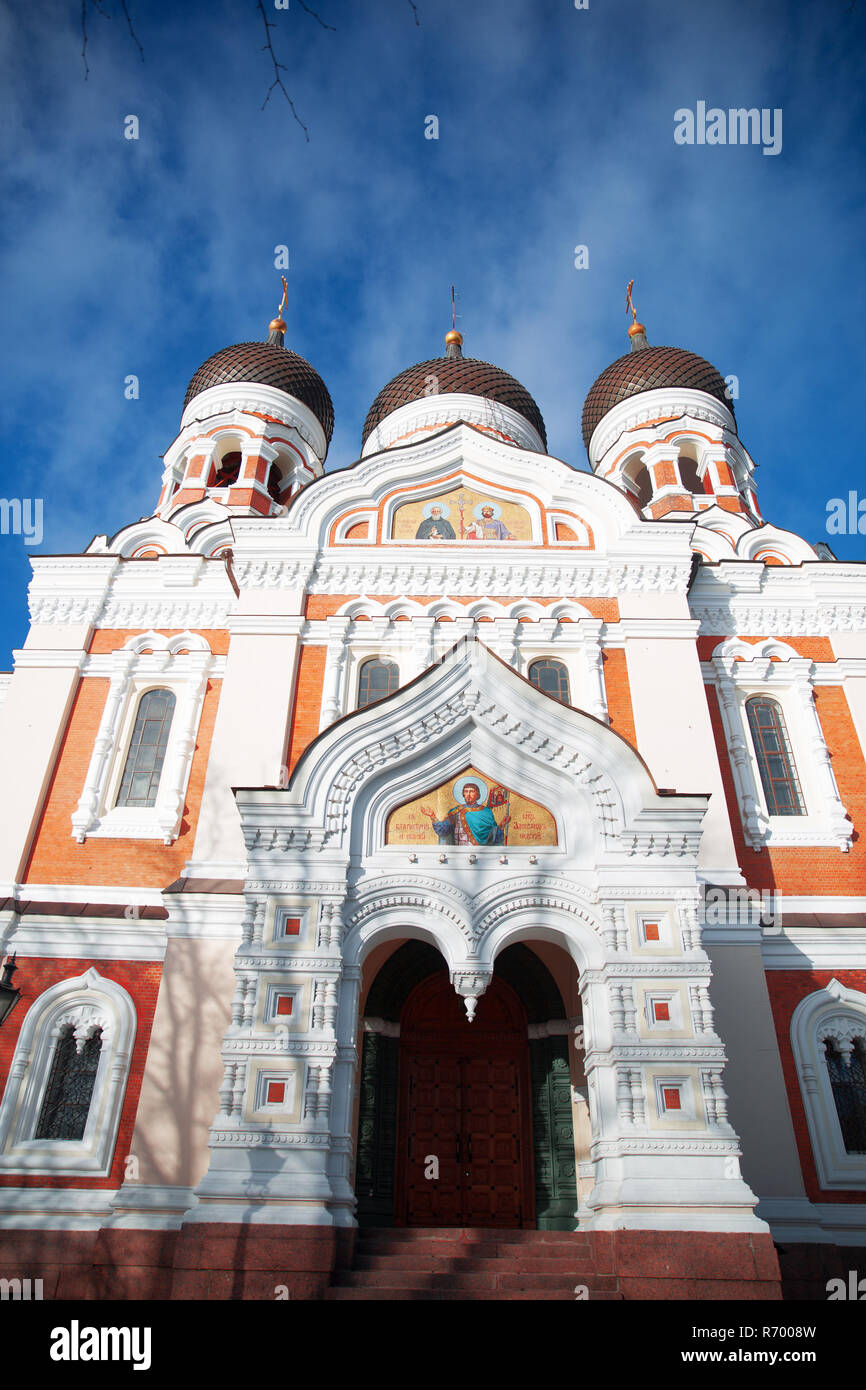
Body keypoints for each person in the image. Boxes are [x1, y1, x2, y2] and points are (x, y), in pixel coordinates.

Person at [420, 781, 509, 845]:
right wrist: (432, 816)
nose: (468, 794)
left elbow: (493, 836)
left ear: (477, 794)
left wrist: (501, 827)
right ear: (463, 794)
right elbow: (443, 830)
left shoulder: (486, 812)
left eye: (472, 791)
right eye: (466, 791)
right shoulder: (457, 811)